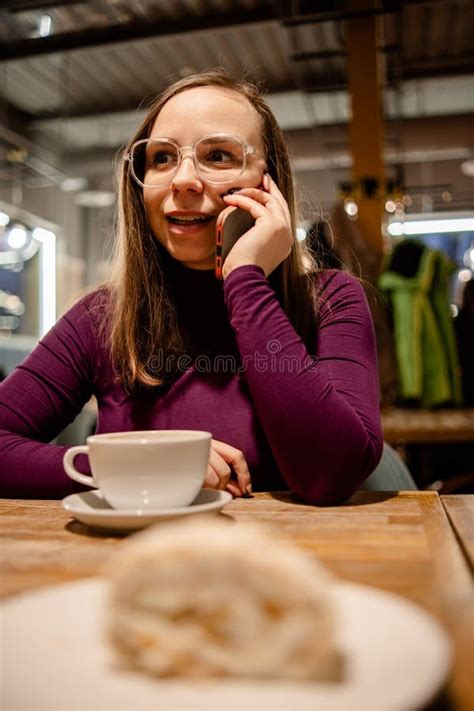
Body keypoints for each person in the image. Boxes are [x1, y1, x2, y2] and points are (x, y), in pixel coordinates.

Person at [0, 69, 383, 504]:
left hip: (287, 564)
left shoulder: (330, 300)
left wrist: (245, 280)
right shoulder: (101, 318)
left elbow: (330, 474)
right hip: (138, 563)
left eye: (218, 156)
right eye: (161, 157)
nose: (182, 180)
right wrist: (138, 465)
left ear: (269, 182)